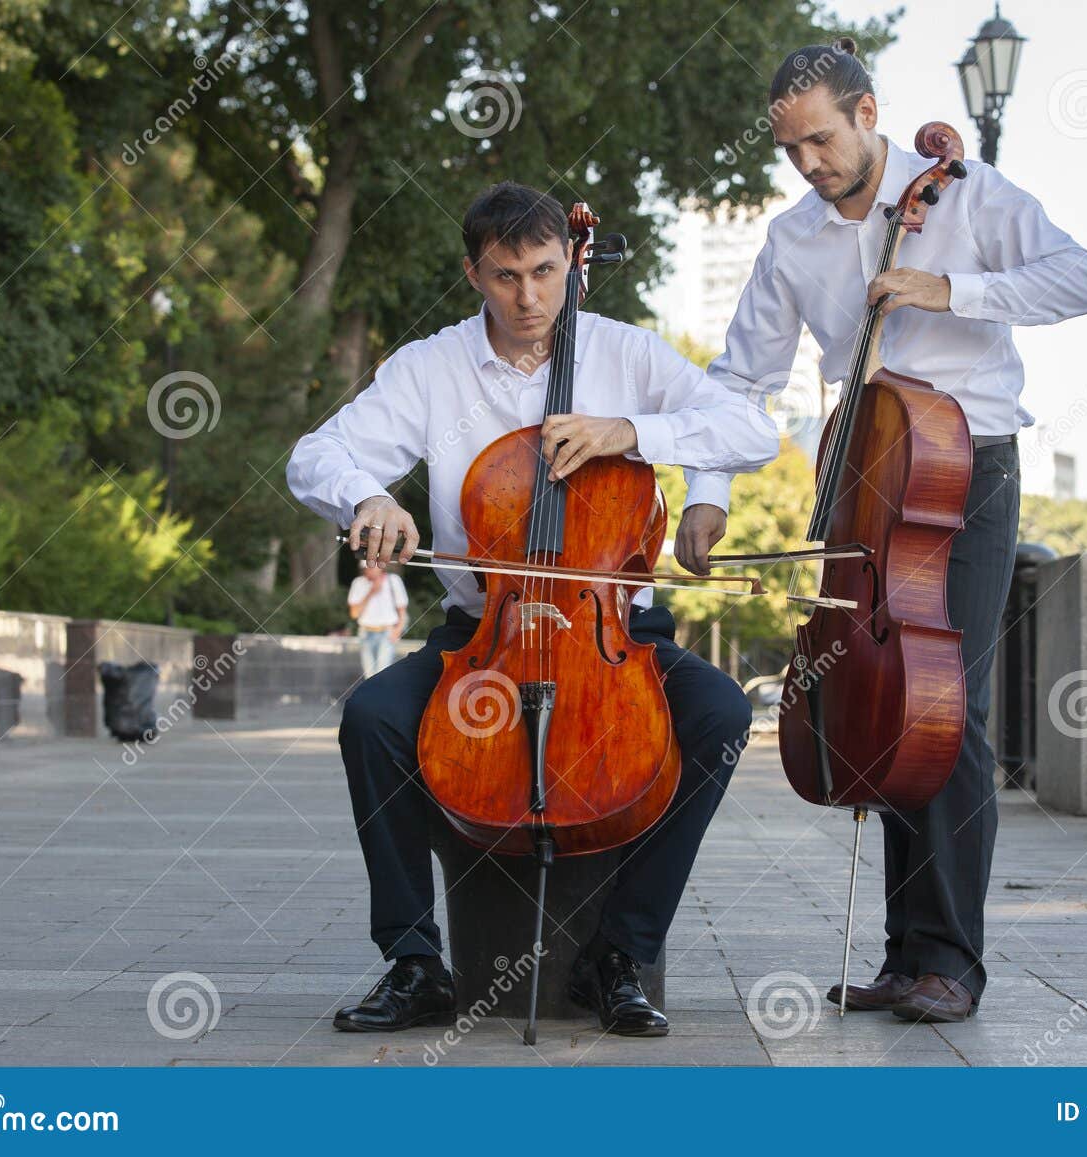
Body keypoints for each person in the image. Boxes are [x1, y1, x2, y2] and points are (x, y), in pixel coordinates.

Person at [286, 181, 779, 1036]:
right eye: (506, 275)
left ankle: (619, 953)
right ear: (473, 271)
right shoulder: (430, 368)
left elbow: (751, 431)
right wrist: (369, 497)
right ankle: (413, 961)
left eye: (546, 272)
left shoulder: (628, 355)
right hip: (486, 631)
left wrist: (633, 433)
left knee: (720, 714)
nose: (529, 298)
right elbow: (315, 454)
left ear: (571, 263)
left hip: (615, 629)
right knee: (371, 718)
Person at [690, 39, 1087, 1024]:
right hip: (870, 470)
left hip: (966, 464)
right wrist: (706, 488)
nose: (808, 164)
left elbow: (1080, 280)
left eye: (822, 140)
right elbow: (740, 376)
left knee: (945, 700)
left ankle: (951, 960)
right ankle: (902, 951)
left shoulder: (964, 193)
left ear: (867, 111)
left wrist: (950, 289)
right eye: (790, 148)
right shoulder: (793, 240)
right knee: (887, 696)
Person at [347, 560, 407, 678]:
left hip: (387, 633)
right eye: (366, 568)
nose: (368, 571)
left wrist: (397, 630)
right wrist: (371, 592)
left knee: (382, 674)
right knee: (369, 675)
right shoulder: (358, 583)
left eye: (371, 567)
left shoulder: (393, 580)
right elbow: (354, 613)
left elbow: (402, 609)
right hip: (366, 633)